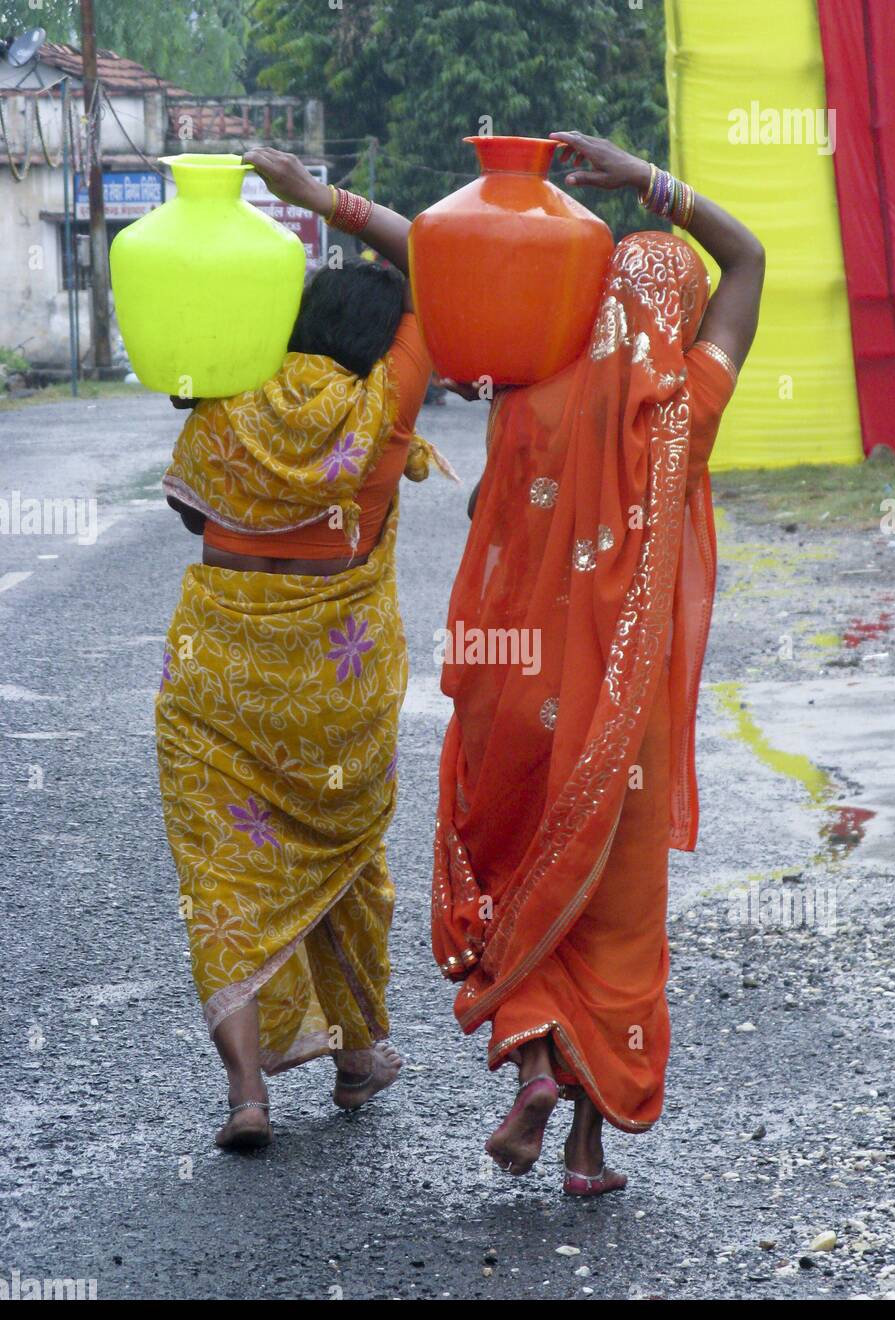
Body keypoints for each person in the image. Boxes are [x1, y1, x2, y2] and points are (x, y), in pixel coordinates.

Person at [432, 131, 765, 1194]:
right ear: (675, 314)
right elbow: (750, 259)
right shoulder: (687, 410)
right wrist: (652, 185)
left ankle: (532, 1061)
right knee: (615, 916)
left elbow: (432, 266)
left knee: (528, 864)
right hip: (627, 724)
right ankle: (586, 1143)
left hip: (520, 687)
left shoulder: (529, 397)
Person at [157, 147, 454, 1150]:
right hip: (338, 687)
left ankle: (248, 1094)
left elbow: (181, 511)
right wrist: (318, 197)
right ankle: (361, 1053)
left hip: (217, 680)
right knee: (347, 860)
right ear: (381, 340)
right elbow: (433, 256)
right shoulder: (386, 402)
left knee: (222, 880)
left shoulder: (231, 398)